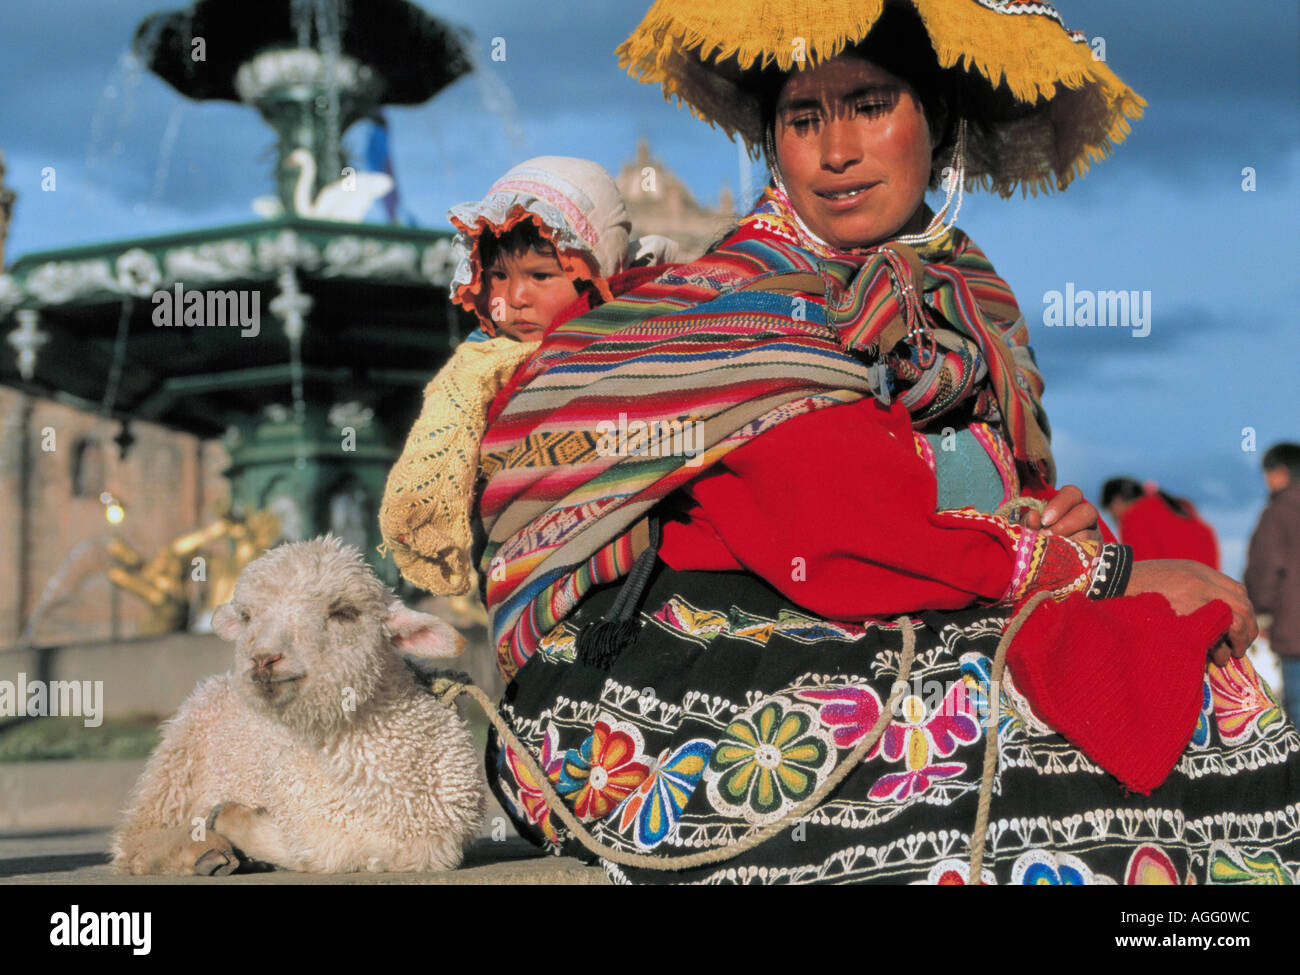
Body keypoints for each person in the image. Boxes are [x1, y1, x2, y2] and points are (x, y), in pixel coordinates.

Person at [475, 1, 1299, 885]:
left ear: (936, 126)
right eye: (803, 118)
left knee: (1191, 682)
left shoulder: (964, 305)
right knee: (982, 725)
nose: (836, 152)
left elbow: (961, 508)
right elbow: (845, 535)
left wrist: (1046, 520)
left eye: (871, 105)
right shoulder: (745, 304)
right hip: (660, 679)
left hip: (861, 622)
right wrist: (1108, 573)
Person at [378, 157, 676, 595]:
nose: (515, 297)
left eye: (540, 275)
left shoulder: (650, 330)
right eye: (498, 276)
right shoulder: (478, 364)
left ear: (596, 269)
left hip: (635, 579)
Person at [1245, 444, 1300, 719]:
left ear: (1280, 473)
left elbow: (1264, 572)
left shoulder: (1278, 513)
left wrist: (1261, 614)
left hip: (1295, 634)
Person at [1102, 476, 1220, 569]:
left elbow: (1143, 567)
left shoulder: (1134, 518)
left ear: (1117, 501)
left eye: (1111, 510)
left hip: (1174, 588)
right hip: (1206, 585)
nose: (1114, 518)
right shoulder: (1178, 510)